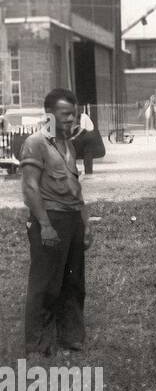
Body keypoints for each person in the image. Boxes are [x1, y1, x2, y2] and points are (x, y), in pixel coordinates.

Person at [21, 88, 94, 357]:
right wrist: (45, 224)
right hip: (49, 218)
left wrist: (85, 223)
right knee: (46, 285)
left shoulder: (69, 144)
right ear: (49, 114)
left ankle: (71, 338)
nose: (70, 119)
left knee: (73, 283)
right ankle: (38, 345)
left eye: (73, 114)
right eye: (65, 114)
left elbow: (76, 189)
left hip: (72, 219)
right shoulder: (36, 143)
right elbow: (30, 188)